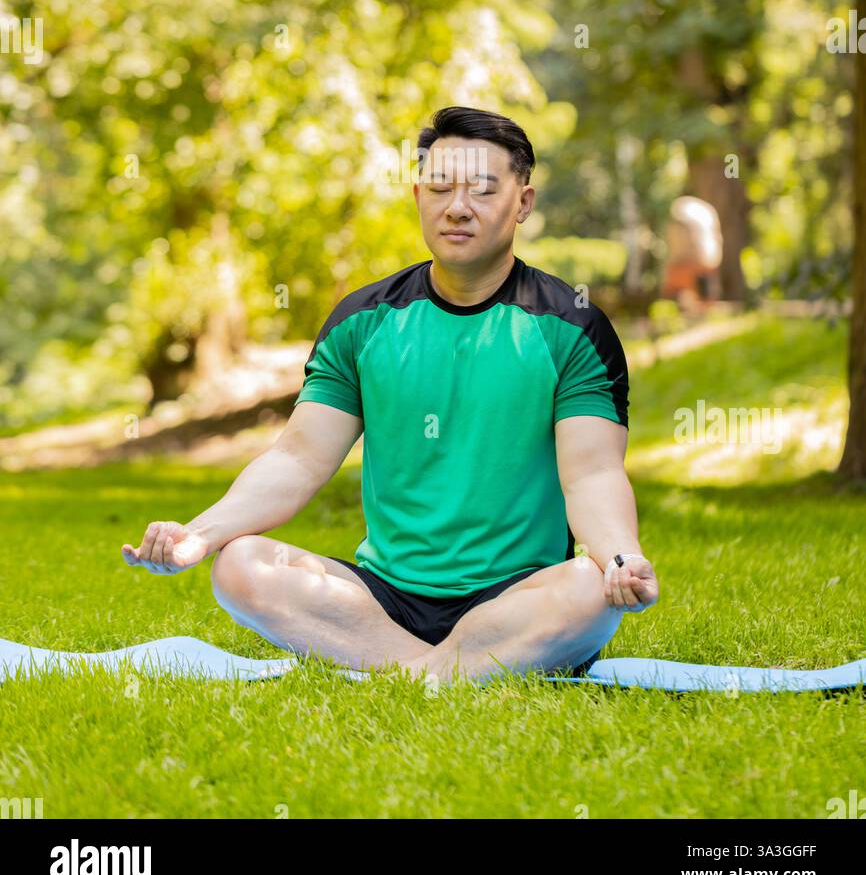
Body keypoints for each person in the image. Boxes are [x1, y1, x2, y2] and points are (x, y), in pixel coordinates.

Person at [122, 106, 659, 684]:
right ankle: (445, 673)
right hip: (381, 600)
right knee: (241, 566)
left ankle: (405, 673)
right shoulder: (364, 321)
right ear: (418, 195)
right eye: (440, 187)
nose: (458, 207)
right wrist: (199, 535)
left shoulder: (572, 326)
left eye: (482, 190)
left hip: (518, 598)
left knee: (589, 589)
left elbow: (592, 475)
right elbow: (298, 459)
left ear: (523, 203)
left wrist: (621, 557)